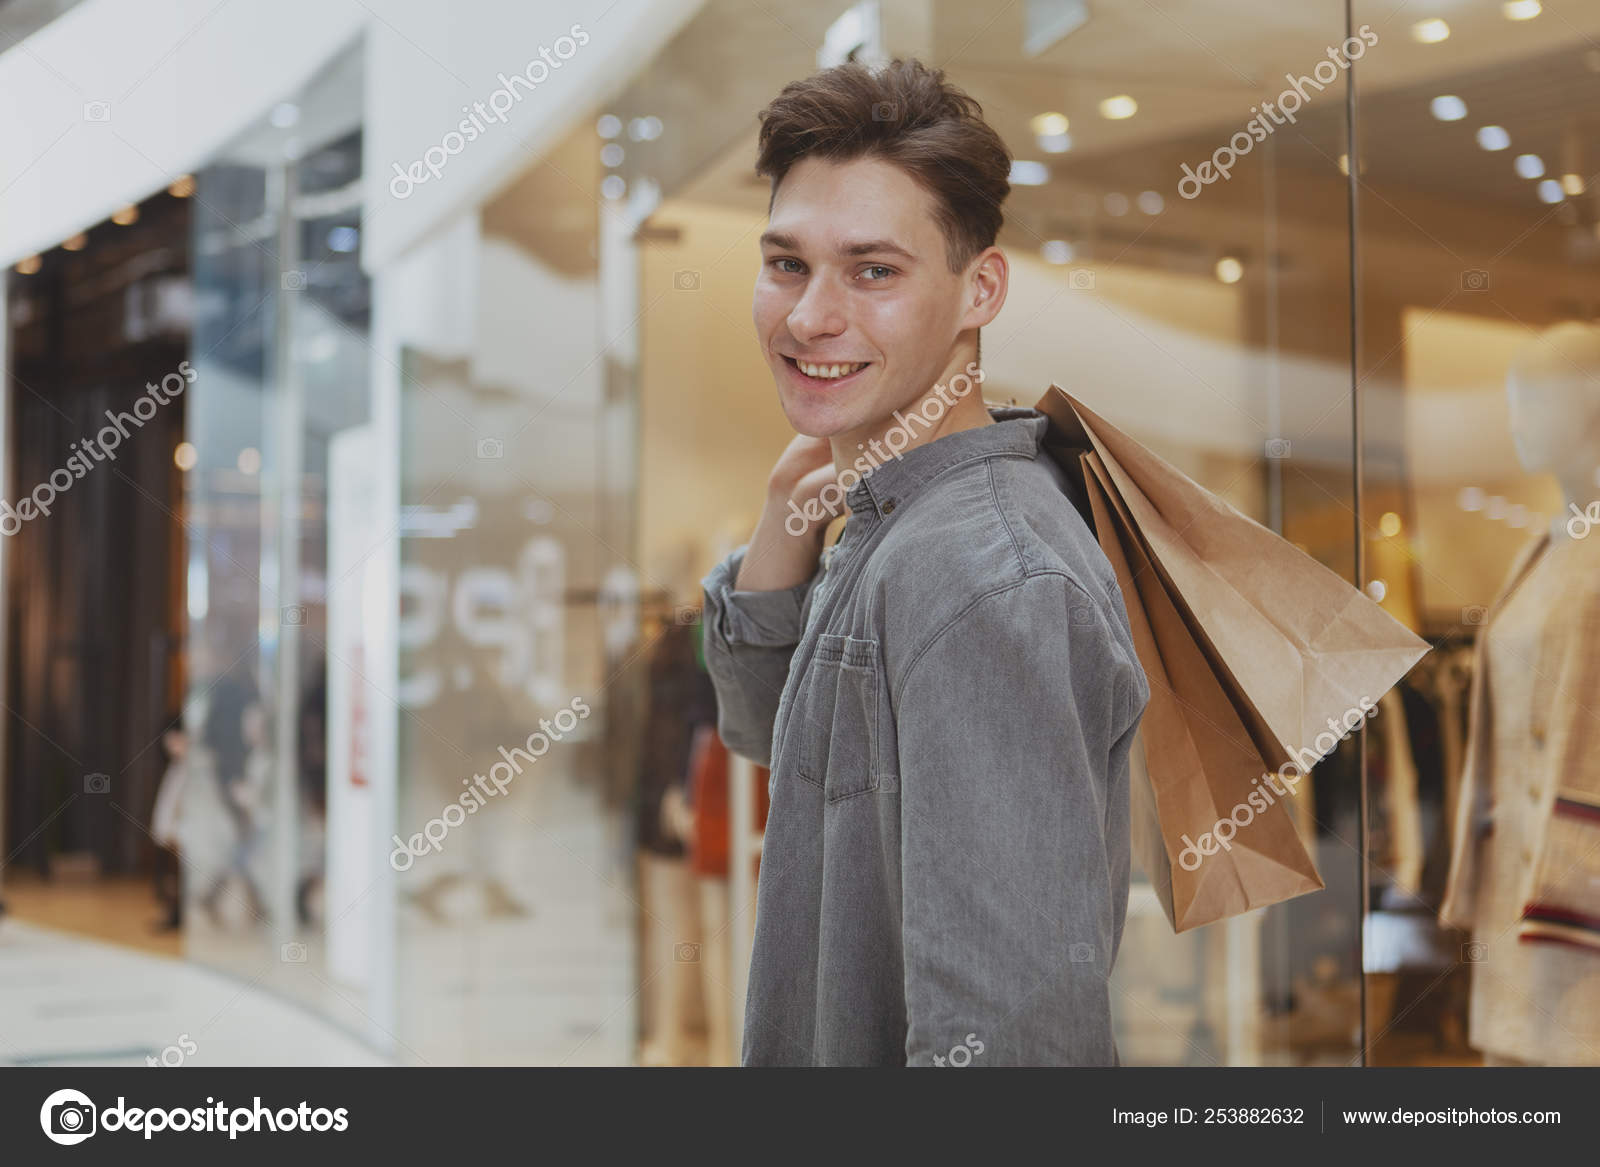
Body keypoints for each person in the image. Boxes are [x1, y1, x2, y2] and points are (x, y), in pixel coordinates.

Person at [699, 59, 1148, 1066]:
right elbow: (768, 728)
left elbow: (1008, 1032)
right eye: (785, 264)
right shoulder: (896, 528)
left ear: (978, 287)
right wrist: (786, 515)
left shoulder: (981, 573)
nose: (810, 317)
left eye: (873, 271)